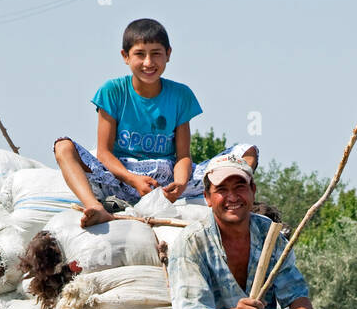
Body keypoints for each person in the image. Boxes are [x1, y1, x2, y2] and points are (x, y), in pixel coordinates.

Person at [53, 18, 258, 227]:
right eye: (140, 54)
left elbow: (184, 156)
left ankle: (229, 204)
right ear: (125, 56)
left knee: (247, 151)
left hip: (167, 179)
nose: (148, 62)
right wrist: (132, 179)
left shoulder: (181, 95)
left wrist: (179, 184)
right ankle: (96, 208)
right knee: (63, 146)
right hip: (121, 178)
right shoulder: (112, 91)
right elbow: (104, 153)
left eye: (156, 54)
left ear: (168, 54)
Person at [168, 155, 347, 309]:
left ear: (252, 190)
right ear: (208, 198)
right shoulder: (192, 241)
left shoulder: (269, 235)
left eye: (239, 187)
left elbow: (296, 293)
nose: (232, 197)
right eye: (222, 190)